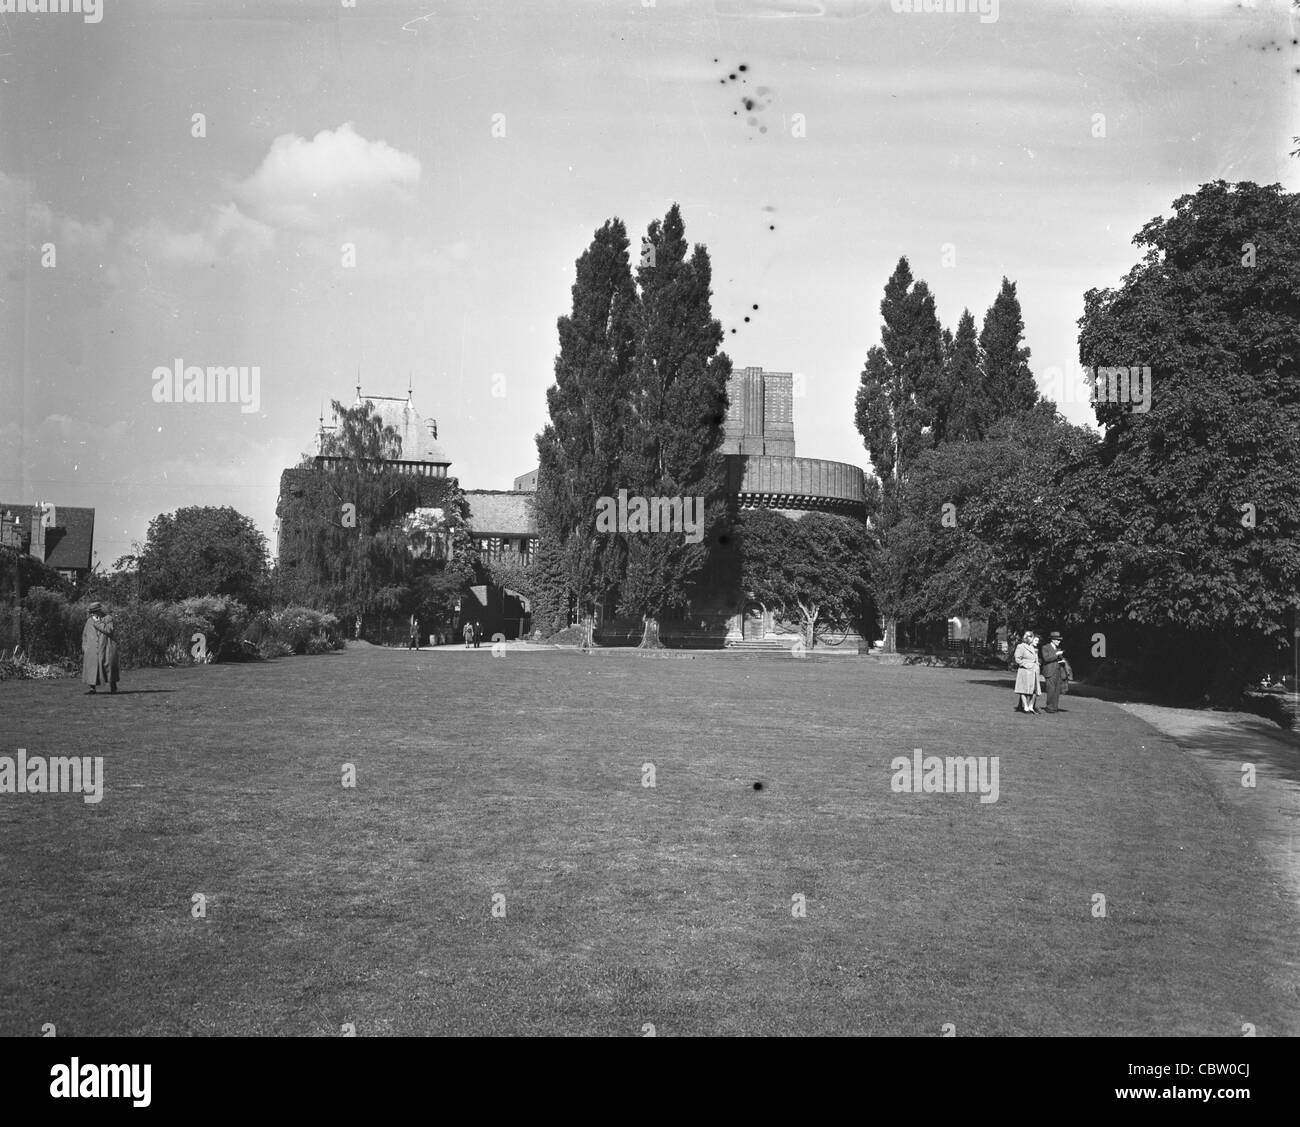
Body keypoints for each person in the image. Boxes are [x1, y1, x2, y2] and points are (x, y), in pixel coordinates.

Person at [82, 601, 119, 695]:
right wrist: (85, 647)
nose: (92, 614)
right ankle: (92, 688)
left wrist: (98, 622)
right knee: (92, 668)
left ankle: (113, 687)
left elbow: (109, 630)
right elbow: (85, 634)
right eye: (91, 612)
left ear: (99, 610)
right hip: (92, 649)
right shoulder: (89, 620)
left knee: (108, 666)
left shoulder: (108, 618)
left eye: (94, 611)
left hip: (106, 646)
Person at [1039, 631, 1072, 713]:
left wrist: (1062, 661)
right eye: (1057, 640)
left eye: (1059, 640)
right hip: (1049, 671)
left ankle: (1055, 707)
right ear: (1053, 640)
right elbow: (1046, 659)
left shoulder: (1058, 649)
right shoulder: (1045, 647)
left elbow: (1058, 659)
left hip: (1058, 671)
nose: (1059, 641)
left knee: (1057, 690)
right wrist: (1057, 654)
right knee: (1051, 690)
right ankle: (1049, 707)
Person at [1013, 630, 1039, 714]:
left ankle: (1031, 706)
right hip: (1025, 671)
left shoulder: (1032, 647)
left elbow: (1035, 659)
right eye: (1031, 637)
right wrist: (1026, 665)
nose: (1032, 638)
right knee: (1023, 689)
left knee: (1035, 690)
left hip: (1034, 671)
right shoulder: (1021, 646)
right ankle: (1026, 707)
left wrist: (1036, 665)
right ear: (1026, 638)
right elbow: (1017, 659)